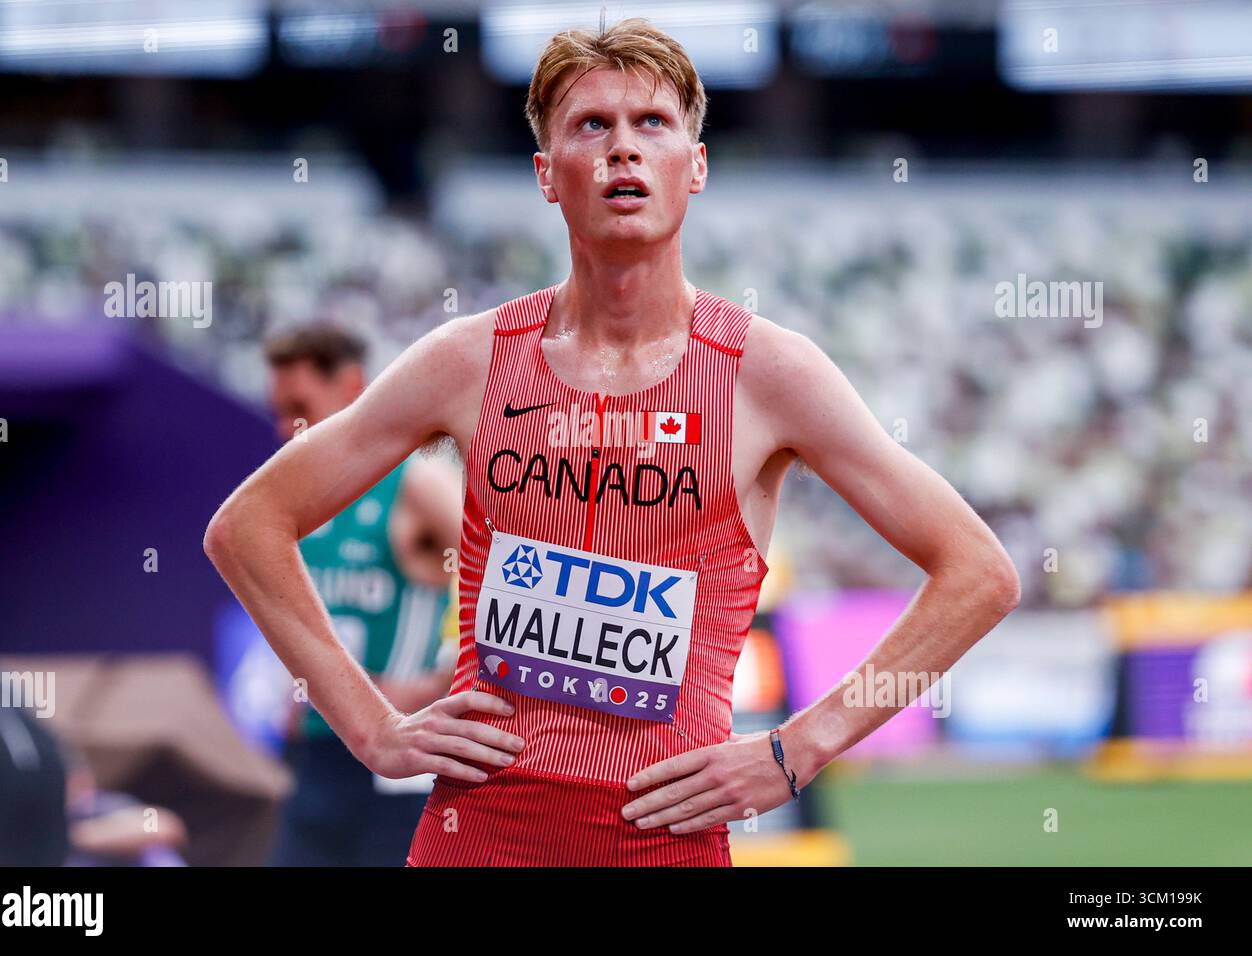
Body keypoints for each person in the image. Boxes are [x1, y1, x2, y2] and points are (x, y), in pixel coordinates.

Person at [204, 18, 1021, 867]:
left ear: (694, 167)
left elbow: (979, 573)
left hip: (665, 842)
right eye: (592, 126)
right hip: (479, 838)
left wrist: (799, 748)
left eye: (652, 124)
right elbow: (247, 526)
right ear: (547, 175)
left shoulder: (768, 374)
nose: (623, 150)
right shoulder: (466, 363)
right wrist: (369, 727)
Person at [259, 324, 462, 866]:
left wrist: (437, 680)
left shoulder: (415, 482)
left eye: (299, 406)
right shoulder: (297, 502)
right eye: (277, 411)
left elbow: (510, 571)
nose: (287, 427)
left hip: (392, 759)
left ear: (352, 388)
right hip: (317, 750)